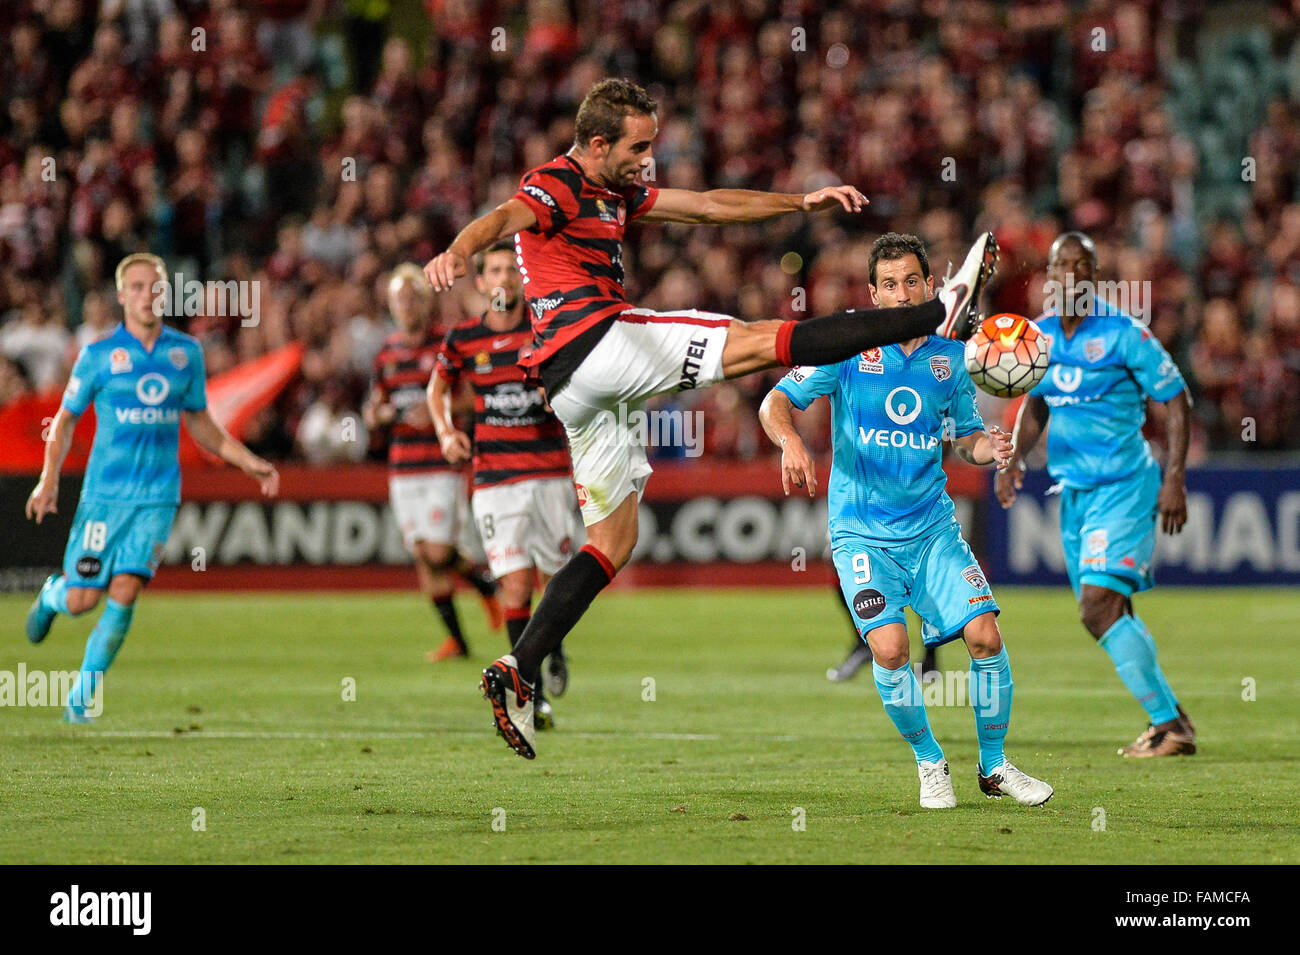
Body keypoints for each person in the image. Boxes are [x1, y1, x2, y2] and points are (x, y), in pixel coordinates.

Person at [424, 78, 997, 759]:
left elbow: (705, 207)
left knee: (612, 539)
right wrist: (459, 251)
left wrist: (798, 201)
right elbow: (500, 218)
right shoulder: (558, 182)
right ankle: (939, 311)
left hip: (574, 388)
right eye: (637, 147)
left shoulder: (616, 191)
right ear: (598, 142)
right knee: (760, 340)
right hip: (596, 342)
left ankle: (517, 666)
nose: (647, 159)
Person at [760, 233, 1052, 807]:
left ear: (928, 287)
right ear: (873, 293)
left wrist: (985, 448)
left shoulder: (950, 360)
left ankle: (994, 768)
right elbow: (775, 401)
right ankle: (930, 761)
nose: (900, 294)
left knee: (985, 636)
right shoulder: (846, 348)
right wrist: (789, 442)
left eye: (910, 282)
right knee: (891, 650)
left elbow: (963, 437)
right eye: (888, 285)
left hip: (932, 531)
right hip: (862, 536)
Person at [24, 253, 279, 722]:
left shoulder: (186, 354)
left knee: (125, 589)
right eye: (138, 287)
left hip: (157, 498)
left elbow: (201, 422)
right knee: (83, 601)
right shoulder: (99, 355)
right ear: (122, 296)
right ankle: (52, 596)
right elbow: (64, 419)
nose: (148, 295)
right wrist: (48, 478)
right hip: (104, 497)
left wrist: (247, 461)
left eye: (156, 287)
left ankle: (81, 698)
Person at [997, 231, 1195, 758]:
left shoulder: (1124, 333)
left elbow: (1176, 400)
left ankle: (1170, 727)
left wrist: (1174, 477)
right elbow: (1036, 404)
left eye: (1083, 266)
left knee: (1096, 608)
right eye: (1063, 266)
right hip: (1075, 494)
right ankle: (1171, 720)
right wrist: (1015, 456)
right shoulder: (1036, 337)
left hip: (1125, 487)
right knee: (1112, 610)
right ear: (1050, 276)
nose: (1073, 276)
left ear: (1095, 276)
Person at [429, 240, 585, 731]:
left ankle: (554, 643)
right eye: (494, 271)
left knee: (555, 577)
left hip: (547, 476)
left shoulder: (545, 334)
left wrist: (555, 394)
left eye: (511, 271)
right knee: (515, 583)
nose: (504, 280)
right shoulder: (463, 339)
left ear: (523, 280)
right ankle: (530, 694)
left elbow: (578, 389)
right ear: (480, 283)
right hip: (495, 480)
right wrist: (446, 431)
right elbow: (436, 388)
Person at [362, 263, 502, 662]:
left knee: (439, 553)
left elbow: (475, 397)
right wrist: (378, 416)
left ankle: (488, 587)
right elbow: (375, 408)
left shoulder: (447, 344)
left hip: (442, 461)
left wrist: (437, 406)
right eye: (400, 300)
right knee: (423, 554)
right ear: (391, 306)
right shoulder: (387, 354)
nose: (407, 306)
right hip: (402, 465)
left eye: (413, 298)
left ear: (426, 301)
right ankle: (458, 641)